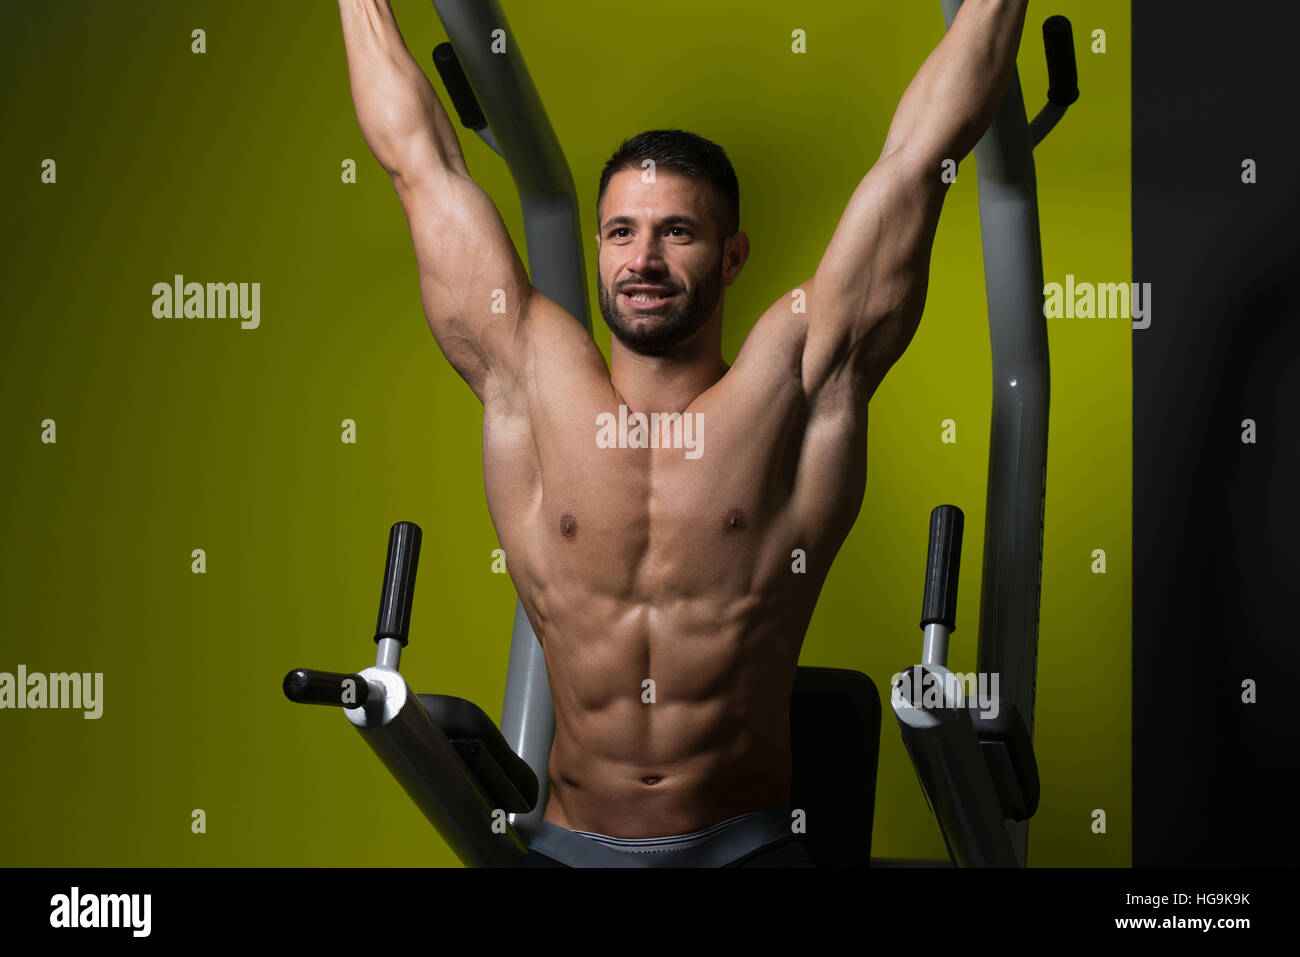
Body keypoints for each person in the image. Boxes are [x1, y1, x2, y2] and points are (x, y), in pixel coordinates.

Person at [337, 0, 1029, 867]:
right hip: (567, 848)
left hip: (748, 850)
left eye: (676, 232)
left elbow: (919, 157)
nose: (644, 260)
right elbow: (421, 164)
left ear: (732, 257)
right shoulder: (528, 370)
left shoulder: (799, 378)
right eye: (622, 232)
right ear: (596, 249)